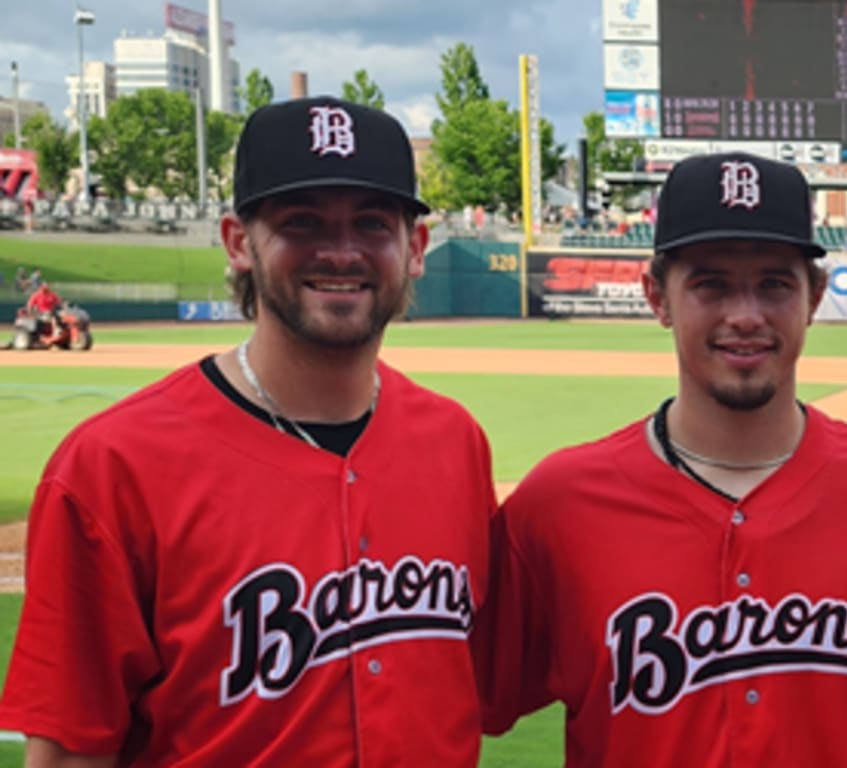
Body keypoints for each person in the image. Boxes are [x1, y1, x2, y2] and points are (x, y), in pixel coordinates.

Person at [0, 96, 499, 766]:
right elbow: (69, 753)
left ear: (414, 249)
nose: (342, 250)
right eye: (302, 221)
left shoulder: (455, 442)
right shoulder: (113, 466)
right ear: (239, 242)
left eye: (373, 224)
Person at [482, 152, 847, 765]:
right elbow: (451, 694)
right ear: (657, 296)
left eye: (775, 283)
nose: (745, 315)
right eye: (711, 284)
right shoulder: (558, 505)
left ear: (814, 296)